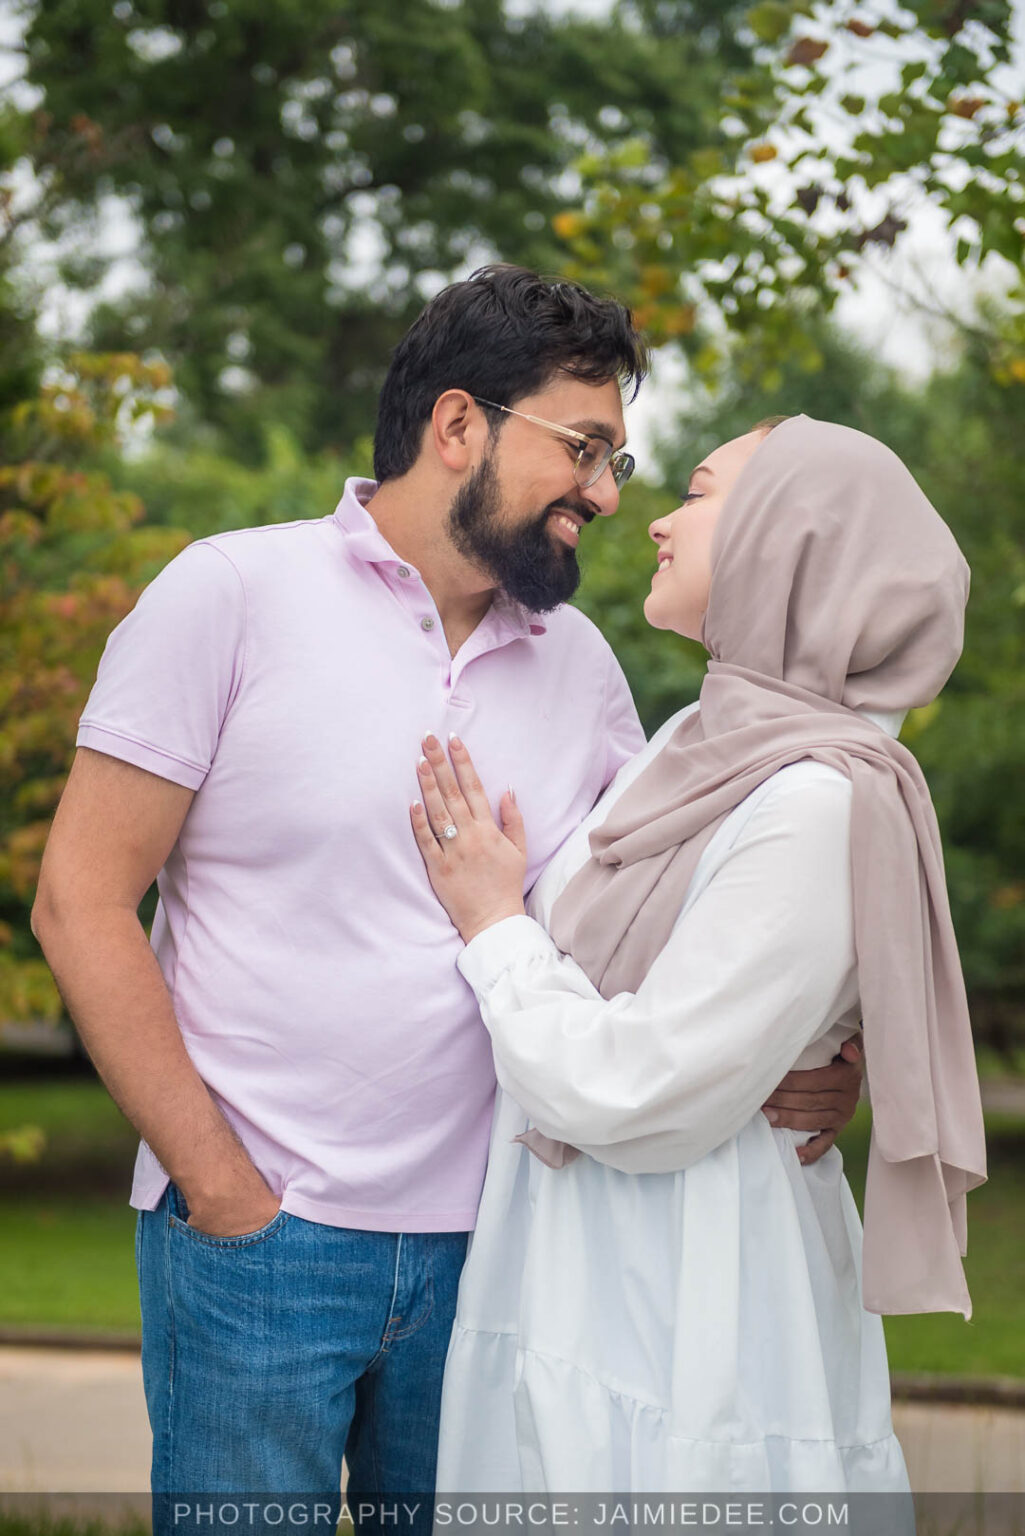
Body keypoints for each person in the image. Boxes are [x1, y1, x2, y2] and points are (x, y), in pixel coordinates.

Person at [30, 269, 863, 1510]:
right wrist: (220, 1187)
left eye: (619, 464)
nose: (603, 493)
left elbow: (653, 927)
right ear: (458, 423)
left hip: (503, 1246)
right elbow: (79, 902)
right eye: (583, 448)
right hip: (259, 1243)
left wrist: (808, 1046)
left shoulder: (577, 662)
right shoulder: (230, 593)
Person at [408, 414, 987, 1492]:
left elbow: (643, 1085)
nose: (656, 520)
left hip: (689, 1294)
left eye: (700, 492)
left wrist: (493, 926)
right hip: (576, 1262)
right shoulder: (690, 745)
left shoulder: (815, 798)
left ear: (789, 539)